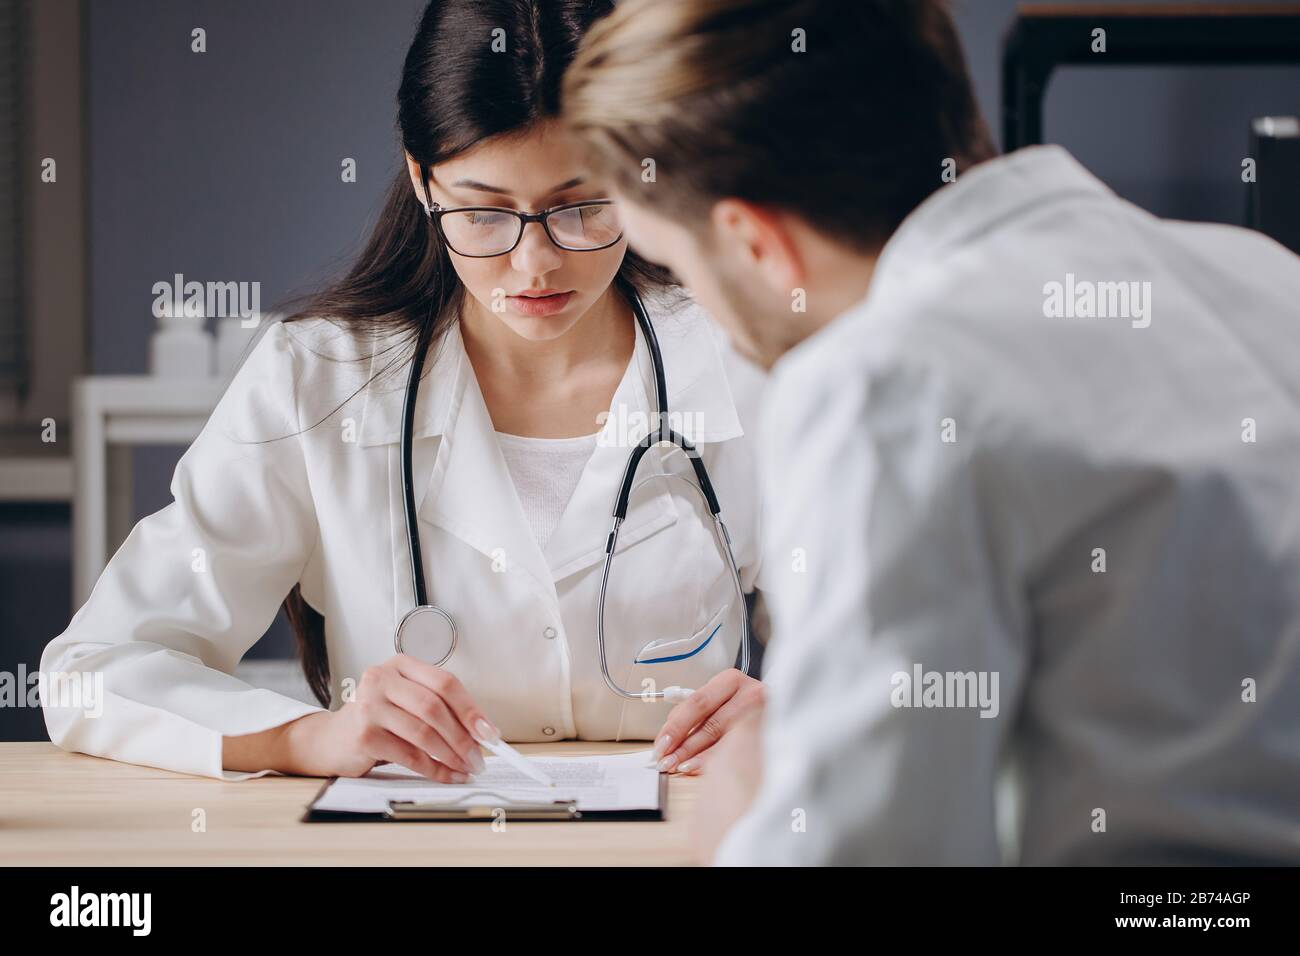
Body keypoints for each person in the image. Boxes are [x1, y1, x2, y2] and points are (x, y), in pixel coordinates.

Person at [561, 0, 1300, 864]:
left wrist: (751, 800)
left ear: (755, 243)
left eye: (681, 264)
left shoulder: (886, 383)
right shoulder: (1264, 275)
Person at [41, 0, 768, 783]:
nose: (535, 266)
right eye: (485, 213)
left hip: (683, 847)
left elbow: (899, 644)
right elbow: (96, 667)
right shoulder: (318, 376)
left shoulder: (746, 359)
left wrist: (797, 708)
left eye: (582, 206)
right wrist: (302, 739)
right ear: (423, 181)